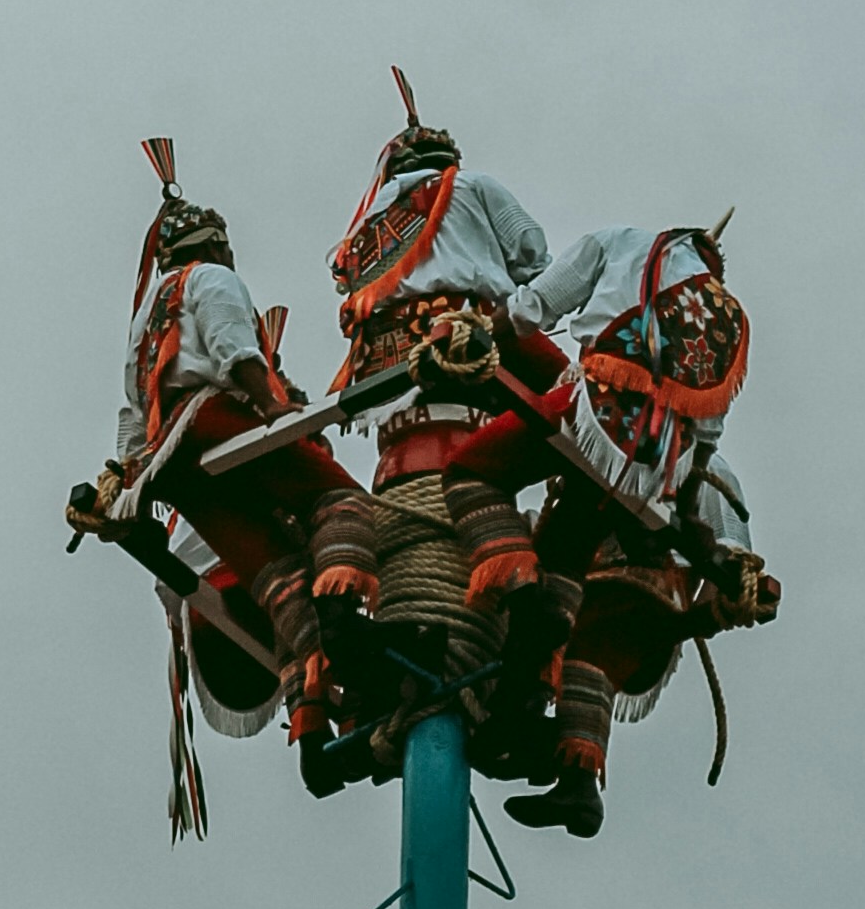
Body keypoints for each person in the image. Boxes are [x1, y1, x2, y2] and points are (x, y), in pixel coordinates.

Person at [68, 142, 332, 824]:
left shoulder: (143, 325)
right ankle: (353, 596)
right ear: (218, 247)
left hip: (186, 497)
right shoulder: (212, 282)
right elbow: (235, 349)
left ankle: (312, 730)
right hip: (220, 428)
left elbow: (134, 416)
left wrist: (125, 485)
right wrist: (276, 407)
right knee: (343, 505)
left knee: (278, 571)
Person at [302, 73, 573, 732]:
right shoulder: (473, 188)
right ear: (447, 159)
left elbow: (342, 274)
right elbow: (531, 248)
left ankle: (320, 700)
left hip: (389, 374)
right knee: (582, 400)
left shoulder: (366, 227)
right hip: (472, 342)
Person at [496, 216, 780, 835]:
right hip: (638, 614)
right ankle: (576, 786)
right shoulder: (692, 451)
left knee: (546, 593)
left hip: (604, 584)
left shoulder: (620, 247)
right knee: (588, 667)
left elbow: (728, 541)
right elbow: (731, 544)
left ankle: (513, 708)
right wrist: (716, 597)